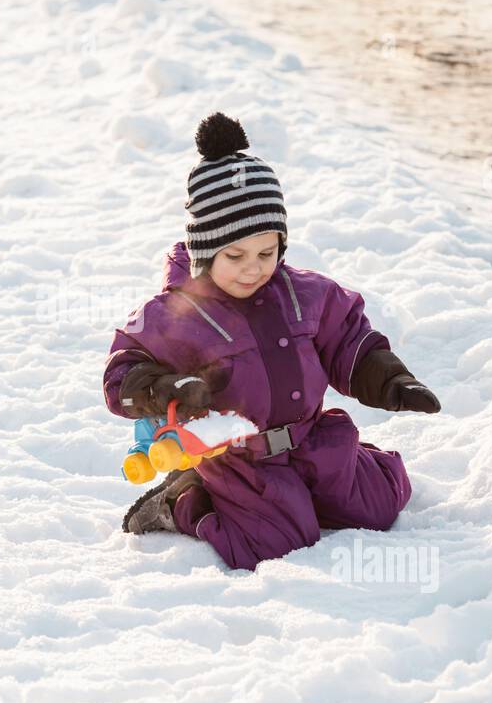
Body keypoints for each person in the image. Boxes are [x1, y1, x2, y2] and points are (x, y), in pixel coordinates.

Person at [103, 111, 441, 571]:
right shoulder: (176, 314)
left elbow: (349, 340)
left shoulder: (305, 294)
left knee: (380, 503)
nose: (253, 268)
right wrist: (161, 389)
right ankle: (186, 500)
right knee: (276, 542)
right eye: (235, 255)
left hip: (311, 436)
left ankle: (327, 485)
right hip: (239, 457)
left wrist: (391, 381)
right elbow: (123, 368)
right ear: (205, 251)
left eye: (268, 252)